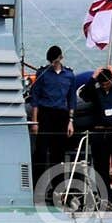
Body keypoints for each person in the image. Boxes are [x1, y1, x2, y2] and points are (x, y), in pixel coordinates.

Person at [77, 64, 112, 202]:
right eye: (102, 84)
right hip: (99, 133)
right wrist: (93, 77)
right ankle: (105, 195)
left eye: (107, 83)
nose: (105, 86)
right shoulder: (95, 93)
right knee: (101, 167)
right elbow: (83, 94)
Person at [26, 45, 77, 193]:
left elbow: (71, 99)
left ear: (61, 58)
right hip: (45, 113)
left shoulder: (69, 75)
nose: (53, 64)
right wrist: (35, 121)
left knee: (58, 153)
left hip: (61, 115)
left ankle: (57, 187)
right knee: (41, 151)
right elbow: (35, 98)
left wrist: (71, 121)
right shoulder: (43, 73)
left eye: (55, 61)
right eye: (51, 61)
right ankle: (37, 186)